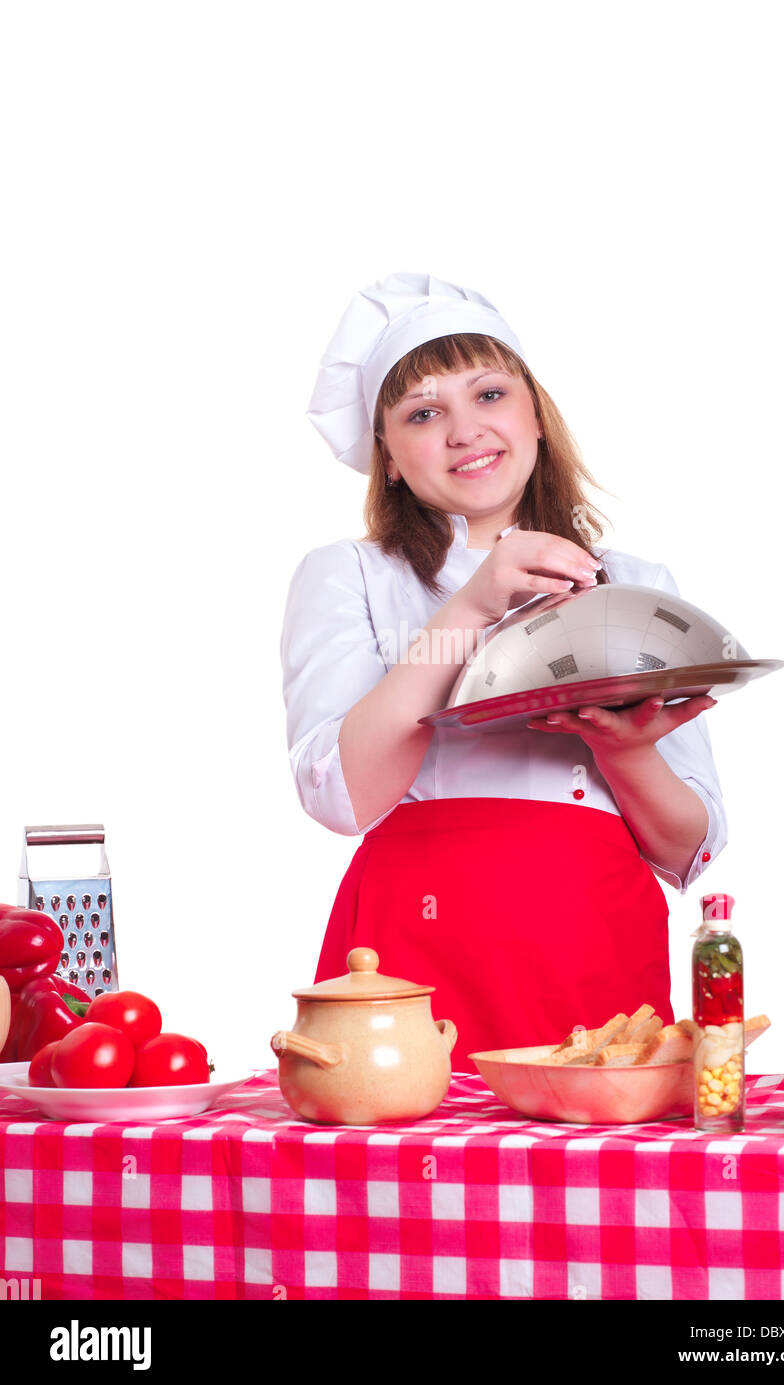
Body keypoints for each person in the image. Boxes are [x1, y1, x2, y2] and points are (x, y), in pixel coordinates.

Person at [281, 272, 727, 1071]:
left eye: (489, 395)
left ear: (535, 418)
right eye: (423, 413)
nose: (464, 431)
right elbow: (343, 797)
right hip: (411, 946)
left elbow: (684, 847)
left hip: (594, 940)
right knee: (394, 1182)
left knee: (599, 1184)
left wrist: (625, 752)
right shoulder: (347, 574)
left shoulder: (633, 583)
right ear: (386, 457)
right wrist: (470, 609)